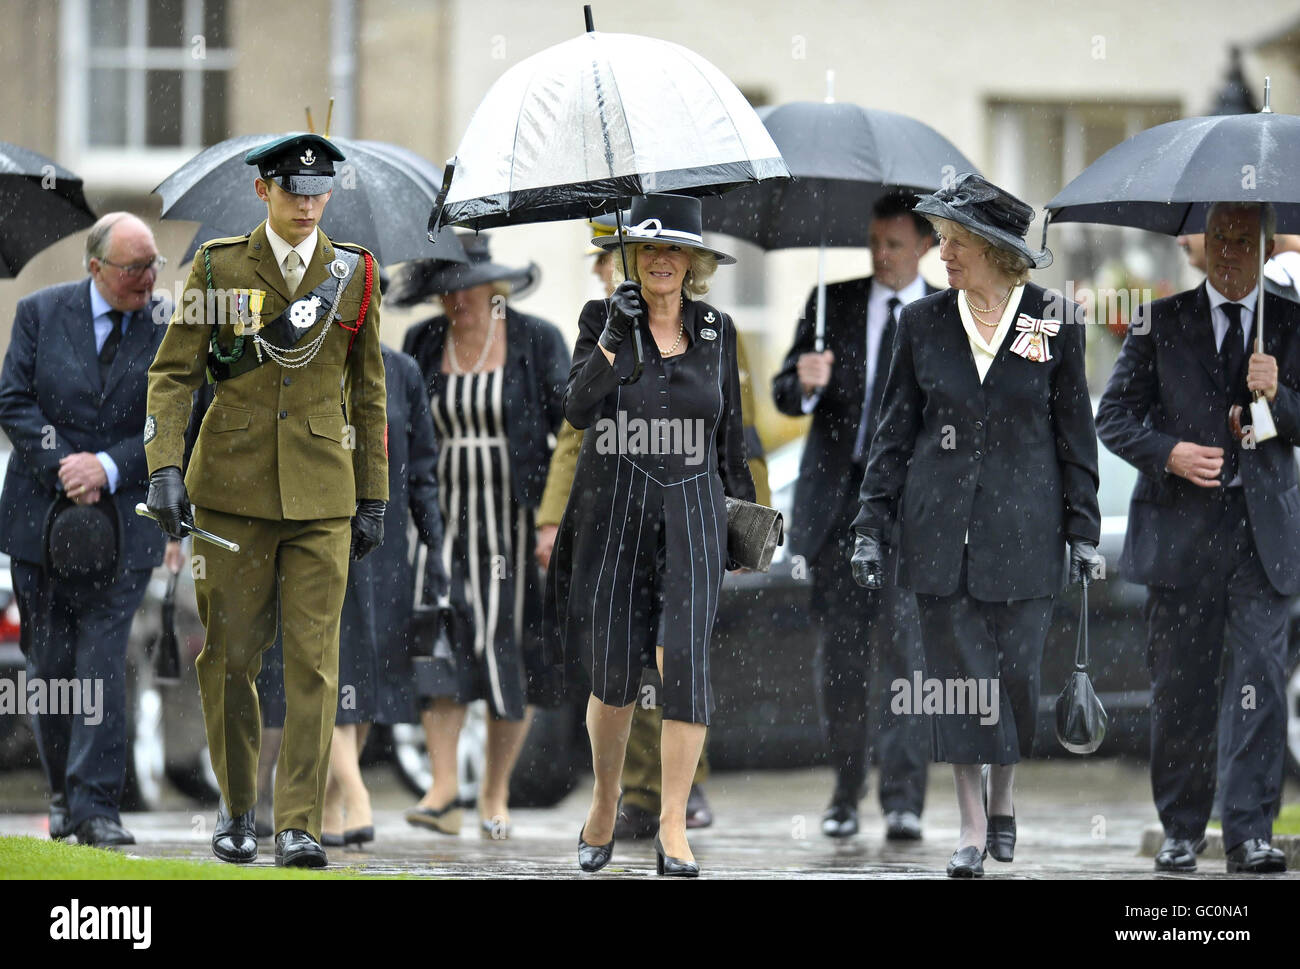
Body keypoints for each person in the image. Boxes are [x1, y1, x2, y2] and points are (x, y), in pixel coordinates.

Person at [144, 133, 389, 868]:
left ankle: (300, 824)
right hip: (229, 493)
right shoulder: (219, 264)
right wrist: (163, 466)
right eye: (294, 192)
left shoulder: (355, 273)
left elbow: (368, 391)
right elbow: (173, 374)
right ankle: (238, 806)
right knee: (229, 659)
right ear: (264, 191)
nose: (308, 205)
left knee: (315, 664)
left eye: (319, 193)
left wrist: (372, 494)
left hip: (321, 495)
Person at [850, 173, 1102, 878]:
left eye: (956, 242)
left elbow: (1074, 436)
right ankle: (967, 826)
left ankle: (1004, 797)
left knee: (1014, 678)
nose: (943, 255)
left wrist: (1083, 531)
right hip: (940, 536)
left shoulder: (1052, 319)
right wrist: (871, 525)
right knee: (960, 683)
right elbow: (893, 435)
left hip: (1027, 535)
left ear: (995, 249)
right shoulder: (921, 323)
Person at [536, 217, 771, 841]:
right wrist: (614, 336)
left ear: (693, 260)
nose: (660, 259)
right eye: (647, 247)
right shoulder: (600, 319)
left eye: (674, 248)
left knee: (684, 666)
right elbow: (578, 409)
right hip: (617, 511)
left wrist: (744, 518)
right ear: (630, 255)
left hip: (692, 511)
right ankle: (606, 803)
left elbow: (729, 435)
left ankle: (673, 824)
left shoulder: (718, 330)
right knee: (614, 679)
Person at [1097, 201, 1300, 874]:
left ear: (1267, 246)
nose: (1230, 250)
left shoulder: (1292, 319)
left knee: (1262, 682)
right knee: (1182, 688)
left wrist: (1278, 401)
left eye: (1245, 239)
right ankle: (1182, 828)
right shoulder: (1160, 320)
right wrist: (1172, 452)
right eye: (1220, 237)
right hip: (1181, 535)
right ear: (1204, 243)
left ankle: (1248, 832)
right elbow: (1114, 417)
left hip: (1260, 539)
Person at [0, 212, 180, 847]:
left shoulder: (166, 323)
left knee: (102, 659)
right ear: (95, 267)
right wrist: (63, 464)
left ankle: (97, 805)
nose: (148, 278)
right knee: (50, 664)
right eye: (134, 267)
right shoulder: (40, 313)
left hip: (127, 520)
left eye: (153, 264)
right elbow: (12, 399)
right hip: (39, 520)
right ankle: (61, 794)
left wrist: (107, 465)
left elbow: (183, 412)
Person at [771, 190, 936, 842]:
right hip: (838, 510)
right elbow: (785, 391)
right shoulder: (830, 303)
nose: (881, 255)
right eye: (874, 242)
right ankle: (844, 791)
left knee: (908, 658)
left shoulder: (942, 316)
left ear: (925, 245)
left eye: (894, 244)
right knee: (840, 661)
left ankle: (904, 799)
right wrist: (806, 380)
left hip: (909, 512)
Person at [398, 233, 567, 838]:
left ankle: (494, 793)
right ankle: (443, 791)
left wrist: (554, 518)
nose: (453, 302)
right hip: (437, 519)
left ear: (491, 283)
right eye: (442, 291)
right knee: (438, 637)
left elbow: (568, 431)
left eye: (462, 287)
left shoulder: (535, 340)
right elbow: (403, 426)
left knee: (503, 647)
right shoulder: (423, 343)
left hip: (510, 523)